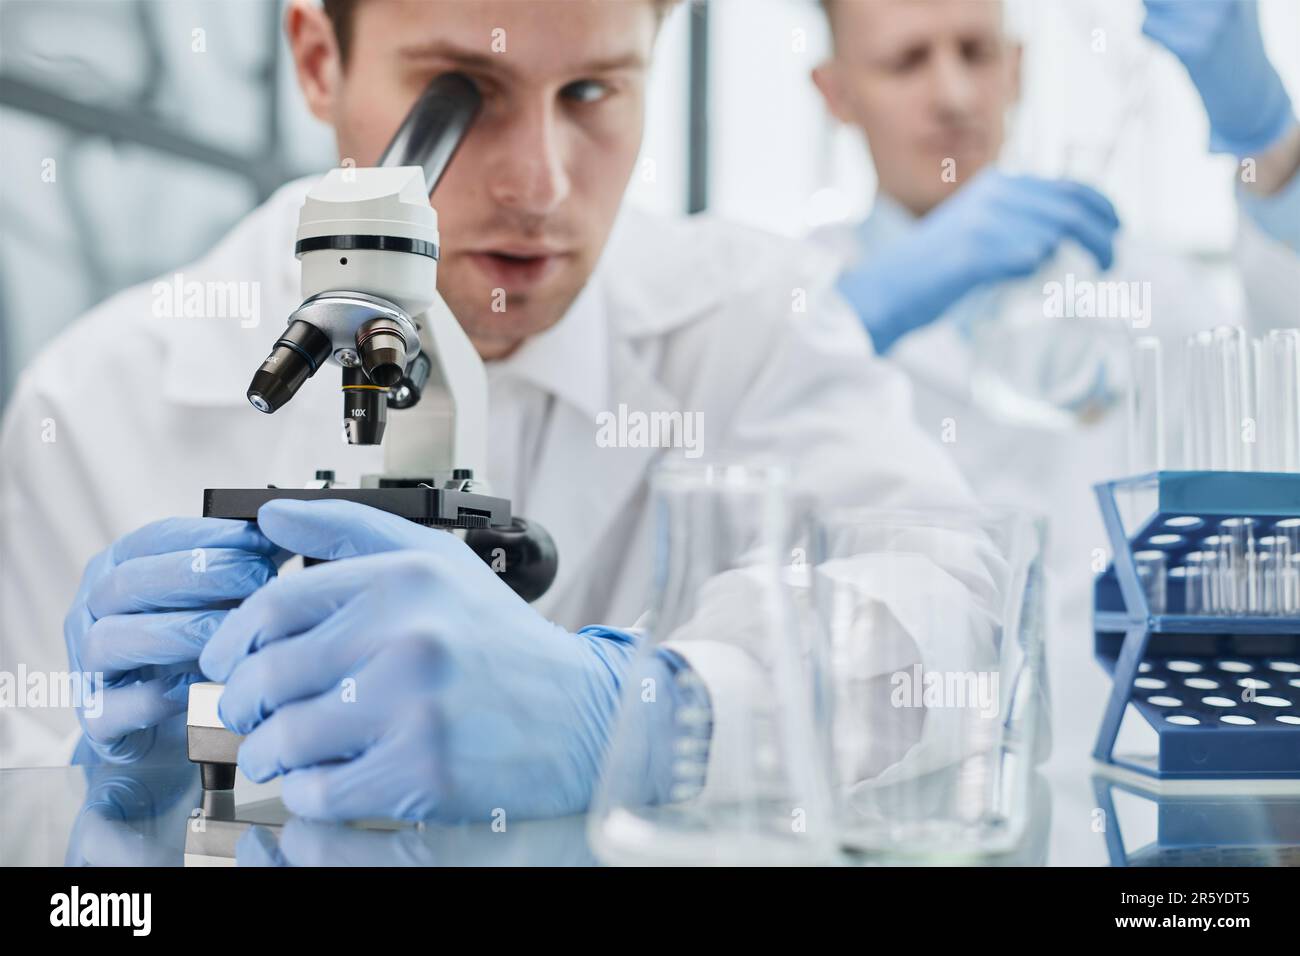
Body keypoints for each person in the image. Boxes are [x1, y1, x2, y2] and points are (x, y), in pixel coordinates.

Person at [0, 0, 980, 822]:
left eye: (590, 92)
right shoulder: (94, 400)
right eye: (461, 94)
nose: (538, 184)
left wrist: (650, 713)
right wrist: (120, 797)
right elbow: (34, 797)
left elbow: (959, 613)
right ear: (315, 59)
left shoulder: (749, 320)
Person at [809, 0, 1300, 762]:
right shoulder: (800, 301)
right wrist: (855, 320)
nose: (954, 95)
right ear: (835, 92)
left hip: (1109, 801)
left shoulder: (1141, 289)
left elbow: (1274, 399)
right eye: (906, 62)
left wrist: (1269, 146)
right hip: (877, 800)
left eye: (975, 51)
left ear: (1018, 69)